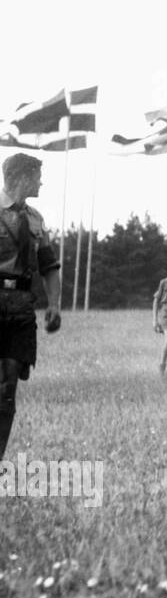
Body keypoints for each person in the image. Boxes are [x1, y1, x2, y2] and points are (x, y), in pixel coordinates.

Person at [0, 154, 61, 459]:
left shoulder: (36, 219)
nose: (41, 182)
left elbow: (49, 265)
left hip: (22, 310)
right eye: (37, 175)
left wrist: (54, 305)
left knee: (8, 390)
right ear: (22, 177)